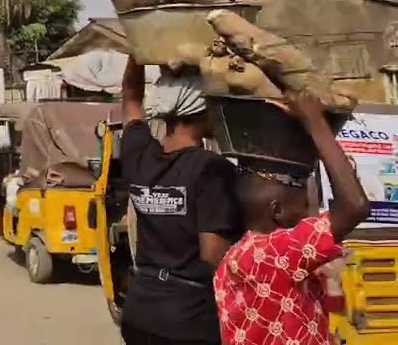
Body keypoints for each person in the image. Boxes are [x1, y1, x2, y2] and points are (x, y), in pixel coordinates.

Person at [213, 88, 370, 345]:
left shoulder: (235, 258)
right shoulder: (276, 253)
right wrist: (315, 122)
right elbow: (356, 206)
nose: (310, 202)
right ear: (277, 210)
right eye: (300, 188)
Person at [119, 57, 243, 345]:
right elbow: (214, 256)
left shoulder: (140, 155)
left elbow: (130, 95)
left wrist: (138, 49)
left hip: (140, 309)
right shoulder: (212, 169)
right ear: (201, 109)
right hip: (189, 319)